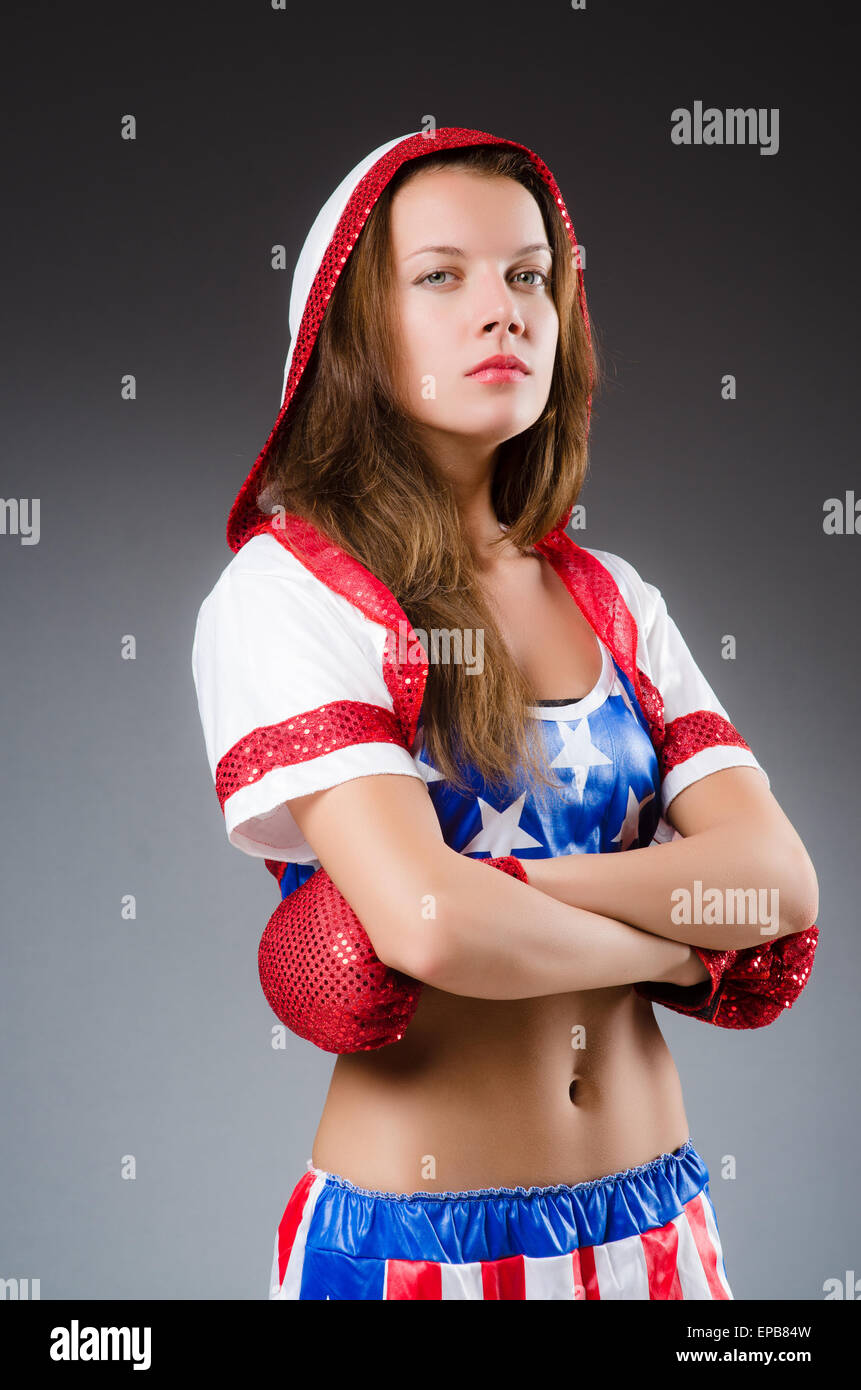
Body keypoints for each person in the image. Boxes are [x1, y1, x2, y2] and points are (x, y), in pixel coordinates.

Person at [191, 128, 820, 1300]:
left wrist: (502, 889)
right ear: (352, 327)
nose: (504, 310)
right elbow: (430, 929)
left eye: (529, 274)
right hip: (420, 1246)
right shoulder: (288, 592)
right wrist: (684, 952)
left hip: (663, 1225)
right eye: (443, 275)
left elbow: (777, 886)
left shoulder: (615, 597)